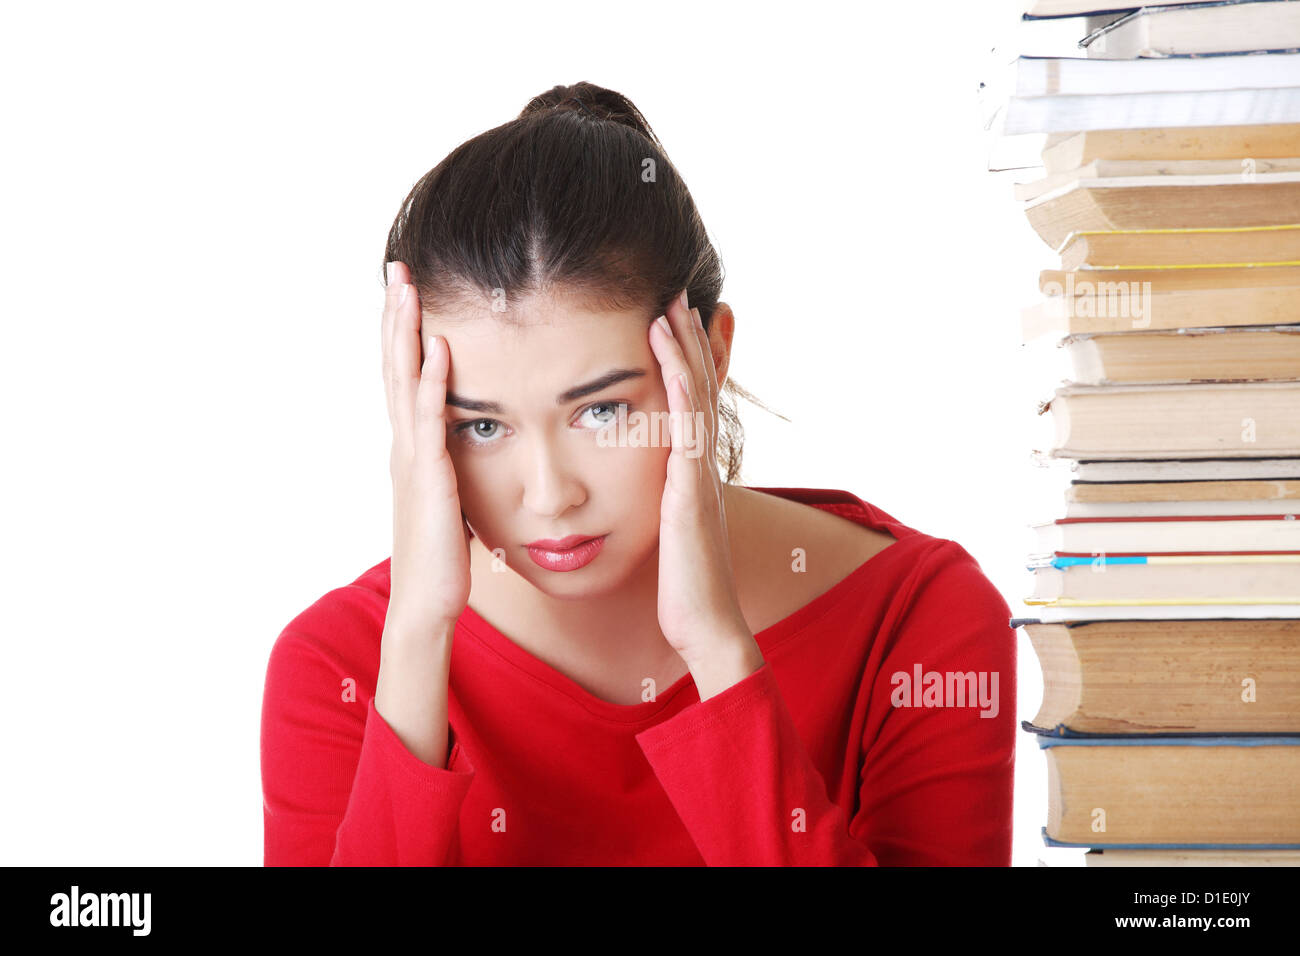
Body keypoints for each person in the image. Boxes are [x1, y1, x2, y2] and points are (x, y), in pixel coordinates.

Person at [260, 82, 1015, 866]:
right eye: (481, 426)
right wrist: (415, 640)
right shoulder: (340, 664)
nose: (550, 494)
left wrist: (719, 652)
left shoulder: (920, 620)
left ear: (710, 357)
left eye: (601, 412)